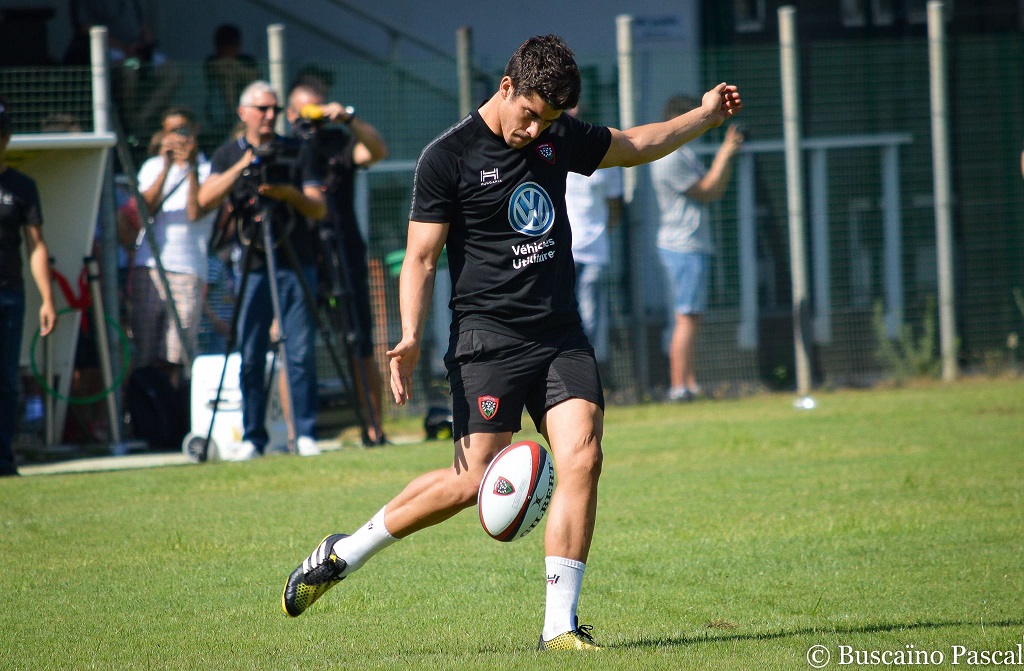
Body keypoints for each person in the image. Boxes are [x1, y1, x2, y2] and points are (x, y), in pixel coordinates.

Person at [280, 35, 741, 650]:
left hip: (559, 336)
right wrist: (411, 335)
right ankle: (346, 550)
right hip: (486, 343)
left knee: (583, 457)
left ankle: (560, 627)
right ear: (506, 86)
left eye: (549, 120)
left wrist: (705, 114)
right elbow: (418, 257)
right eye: (530, 113)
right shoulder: (448, 157)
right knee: (468, 483)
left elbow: (632, 146)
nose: (536, 130)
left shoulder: (555, 135)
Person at [197, 80, 327, 459]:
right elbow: (203, 202)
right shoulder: (226, 155)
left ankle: (304, 434)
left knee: (299, 353)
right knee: (251, 353)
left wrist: (287, 194)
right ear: (244, 113)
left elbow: (318, 208)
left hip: (296, 263)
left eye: (274, 108)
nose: (269, 115)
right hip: (251, 268)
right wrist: (243, 165)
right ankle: (253, 439)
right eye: (261, 109)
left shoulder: (296, 150)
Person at [285, 82, 389, 445]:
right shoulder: (287, 150)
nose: (311, 120)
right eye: (304, 112)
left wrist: (347, 118)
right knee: (292, 346)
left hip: (344, 253)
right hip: (300, 255)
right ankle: (298, 435)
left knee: (360, 343)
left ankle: (374, 428)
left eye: (316, 110)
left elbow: (376, 150)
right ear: (290, 114)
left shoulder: (336, 142)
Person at [651, 95, 744, 402]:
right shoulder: (671, 157)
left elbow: (714, 189)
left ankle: (689, 383)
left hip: (690, 246)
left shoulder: (683, 153)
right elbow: (706, 191)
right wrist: (725, 153)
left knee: (692, 317)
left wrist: (726, 157)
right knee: (686, 318)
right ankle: (679, 387)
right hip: (682, 247)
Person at [130, 107, 215, 387]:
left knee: (175, 355)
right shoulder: (152, 167)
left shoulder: (208, 170)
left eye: (183, 129)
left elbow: (195, 211)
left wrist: (189, 168)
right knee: (144, 351)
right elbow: (144, 210)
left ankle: (172, 418)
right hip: (149, 266)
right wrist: (167, 167)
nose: (178, 136)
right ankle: (145, 417)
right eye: (171, 130)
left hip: (187, 269)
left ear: (195, 130)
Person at [0, 99, 57, 476]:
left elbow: (37, 245)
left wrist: (47, 299)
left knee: (7, 379)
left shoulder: (21, 186)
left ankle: (4, 458)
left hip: (10, 291)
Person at [66, 0, 181, 134]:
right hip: (109, 50)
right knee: (129, 70)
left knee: (174, 72)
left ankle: (141, 120)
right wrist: (124, 48)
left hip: (138, 50)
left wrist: (144, 44)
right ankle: (130, 125)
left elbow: (144, 26)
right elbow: (85, 28)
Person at [564, 105, 623, 365]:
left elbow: (615, 207)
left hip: (595, 250)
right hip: (562, 249)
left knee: (590, 317)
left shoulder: (605, 157)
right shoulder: (555, 153)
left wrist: (600, 233)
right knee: (562, 312)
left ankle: (584, 368)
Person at [204, 24, 260, 145]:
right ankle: (233, 116)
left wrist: (232, 66)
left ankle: (234, 116)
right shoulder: (211, 61)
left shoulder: (247, 60)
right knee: (226, 80)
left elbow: (255, 78)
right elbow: (215, 70)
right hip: (219, 108)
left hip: (243, 102)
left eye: (232, 45)